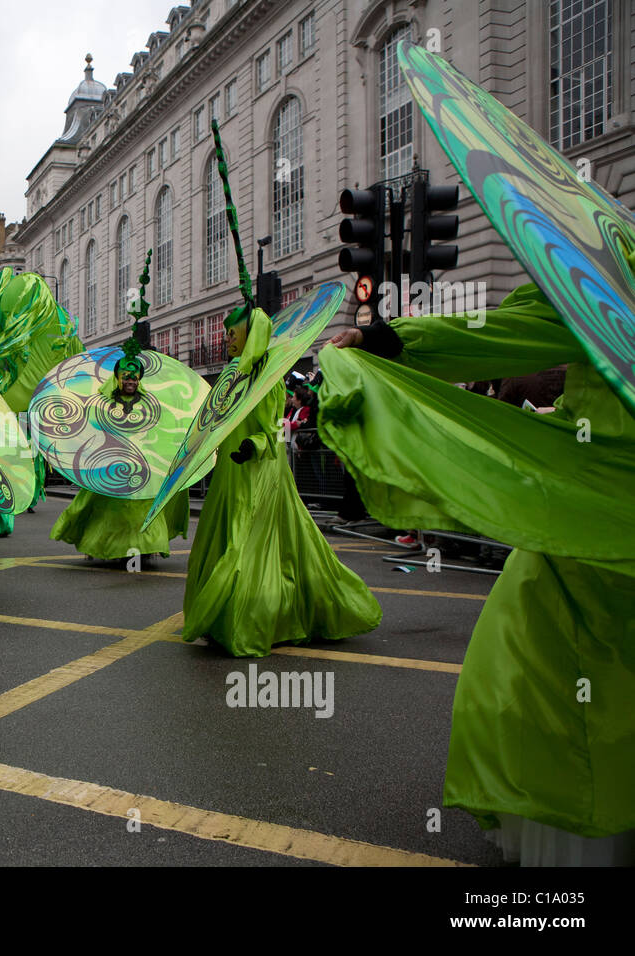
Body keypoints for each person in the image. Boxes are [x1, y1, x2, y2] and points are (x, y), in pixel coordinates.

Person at [319, 283, 635, 863]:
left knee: (545, 662)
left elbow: (504, 333)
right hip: (596, 495)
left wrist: (388, 339)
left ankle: (580, 816)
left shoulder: (605, 277)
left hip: (588, 498)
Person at [181, 303, 381, 655]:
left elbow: (274, 432)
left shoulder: (269, 381)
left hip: (260, 473)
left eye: (233, 334)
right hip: (231, 473)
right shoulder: (232, 378)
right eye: (226, 333)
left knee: (248, 543)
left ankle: (249, 618)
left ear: (250, 336)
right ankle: (224, 616)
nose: (226, 339)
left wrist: (252, 446)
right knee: (232, 537)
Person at [49, 356, 192, 561]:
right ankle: (105, 545)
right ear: (117, 378)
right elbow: (91, 429)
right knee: (104, 509)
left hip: (143, 468)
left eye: (134, 378)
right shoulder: (102, 402)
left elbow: (159, 429)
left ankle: (143, 549)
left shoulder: (149, 402)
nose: (131, 382)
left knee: (141, 509)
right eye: (126, 378)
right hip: (109, 465)